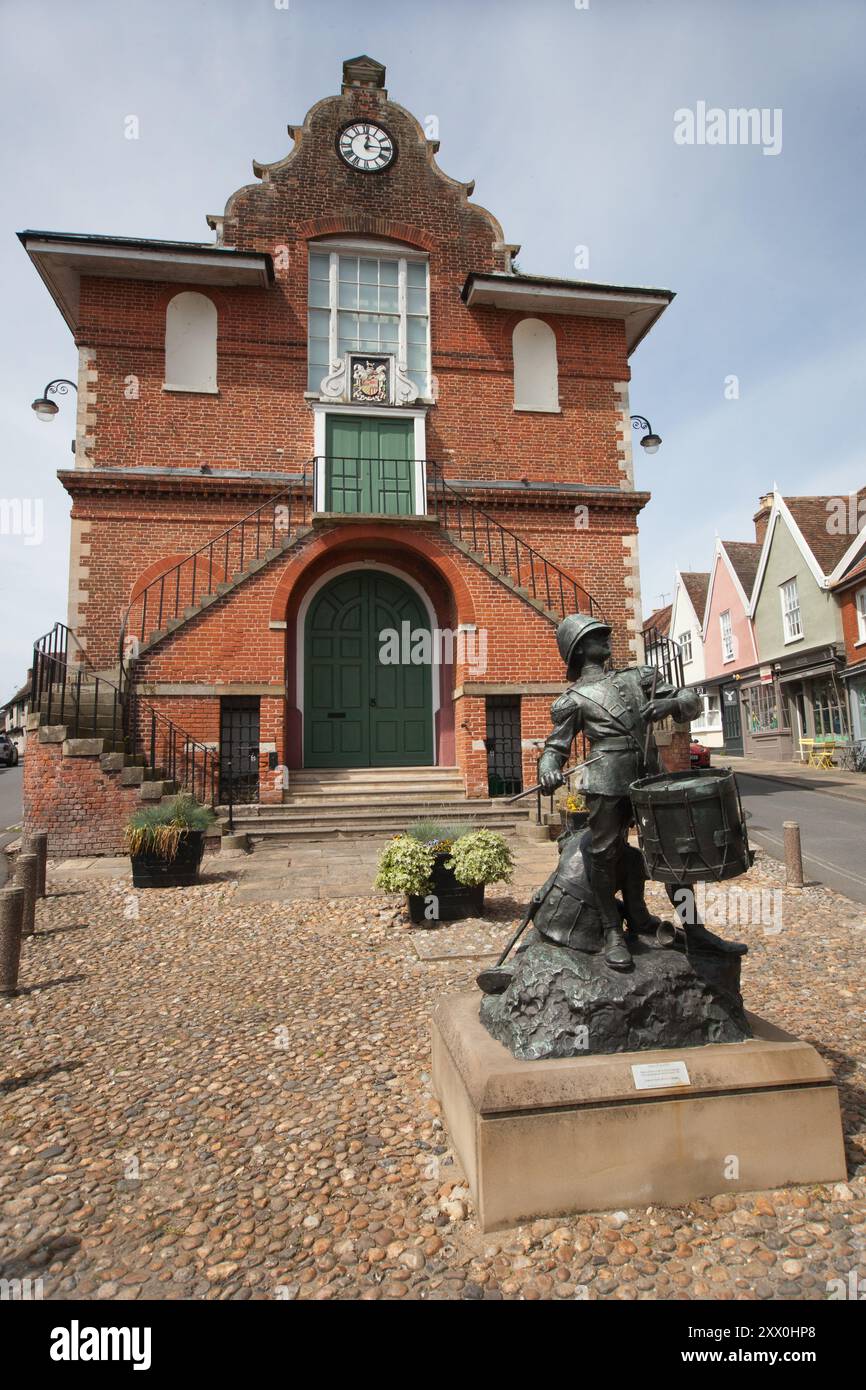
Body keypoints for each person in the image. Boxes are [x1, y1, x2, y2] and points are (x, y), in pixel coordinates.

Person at [538, 613, 701, 971]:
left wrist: (670, 704)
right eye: (598, 635)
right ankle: (612, 930)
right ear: (580, 649)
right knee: (605, 855)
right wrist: (548, 767)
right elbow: (556, 747)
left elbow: (692, 701)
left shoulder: (638, 677)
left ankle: (695, 926)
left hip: (650, 778)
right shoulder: (574, 699)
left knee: (675, 855)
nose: (608, 636)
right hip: (606, 781)